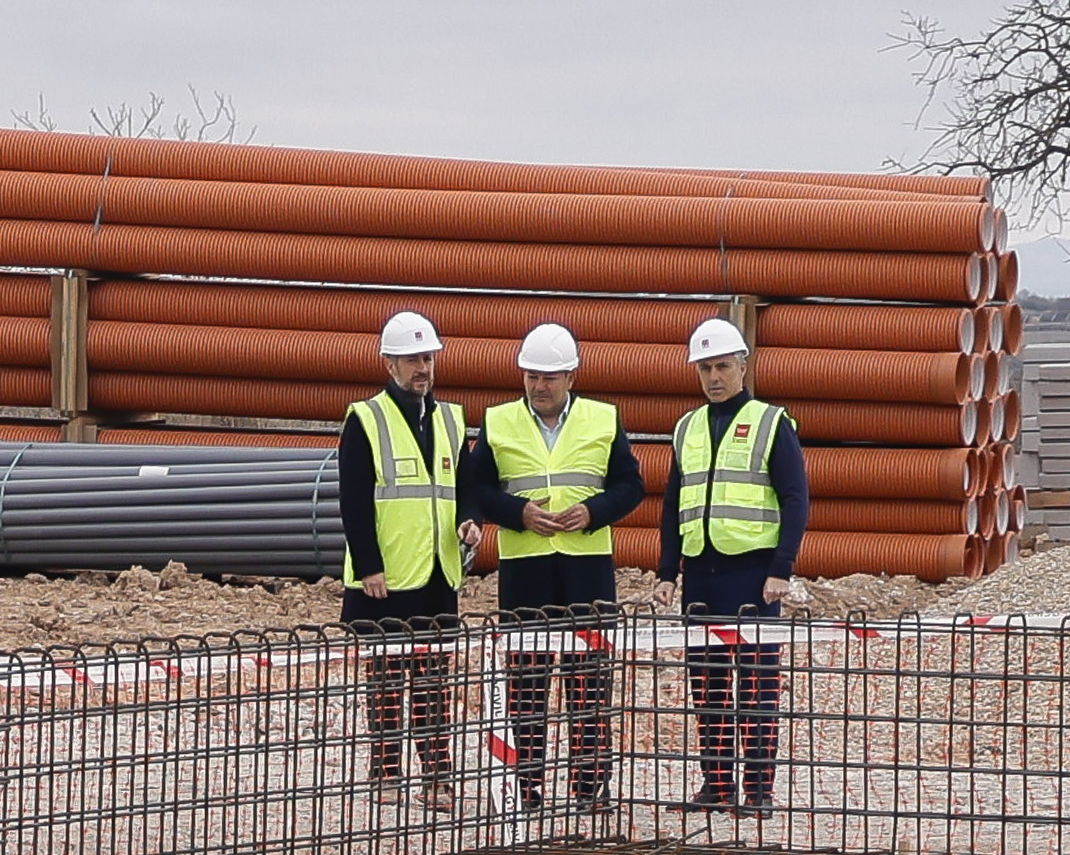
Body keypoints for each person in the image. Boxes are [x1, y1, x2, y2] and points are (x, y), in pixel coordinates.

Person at [473, 320, 644, 812]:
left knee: (589, 682)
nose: (539, 386)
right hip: (525, 570)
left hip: (586, 568)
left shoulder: (603, 419)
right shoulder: (499, 421)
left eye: (549, 377)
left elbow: (631, 486)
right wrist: (518, 513)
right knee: (526, 686)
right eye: (531, 376)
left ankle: (590, 786)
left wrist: (594, 512)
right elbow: (477, 489)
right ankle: (525, 787)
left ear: (571, 376)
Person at [661, 315, 810, 815]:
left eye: (722, 366)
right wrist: (667, 571)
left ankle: (759, 791)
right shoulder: (687, 428)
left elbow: (795, 498)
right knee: (707, 687)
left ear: (743, 366)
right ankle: (716, 783)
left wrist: (781, 567)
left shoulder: (770, 423)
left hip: (753, 575)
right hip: (701, 574)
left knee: (757, 686)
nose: (714, 377)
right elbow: (672, 503)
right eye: (705, 368)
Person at [333, 314, 481, 801]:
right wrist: (369, 565)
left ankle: (437, 778)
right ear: (390, 364)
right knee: (385, 680)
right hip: (386, 577)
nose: (423, 368)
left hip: (437, 573)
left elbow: (464, 486)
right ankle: (386, 774)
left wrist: (469, 520)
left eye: (427, 358)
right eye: (413, 359)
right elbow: (353, 499)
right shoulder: (366, 419)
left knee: (434, 683)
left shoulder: (450, 419)